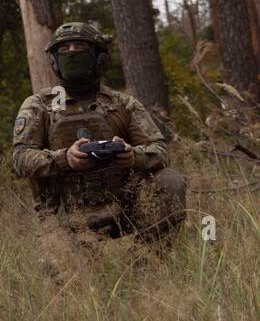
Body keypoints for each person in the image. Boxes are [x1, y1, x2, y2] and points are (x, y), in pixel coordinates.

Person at [11, 21, 186, 250]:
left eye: (80, 46)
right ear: (54, 60)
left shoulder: (122, 104)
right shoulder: (39, 106)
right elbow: (20, 158)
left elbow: (160, 151)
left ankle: (146, 261)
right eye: (64, 48)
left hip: (123, 207)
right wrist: (65, 158)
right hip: (63, 217)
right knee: (69, 273)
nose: (72, 53)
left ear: (99, 57)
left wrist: (132, 156)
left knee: (170, 181)